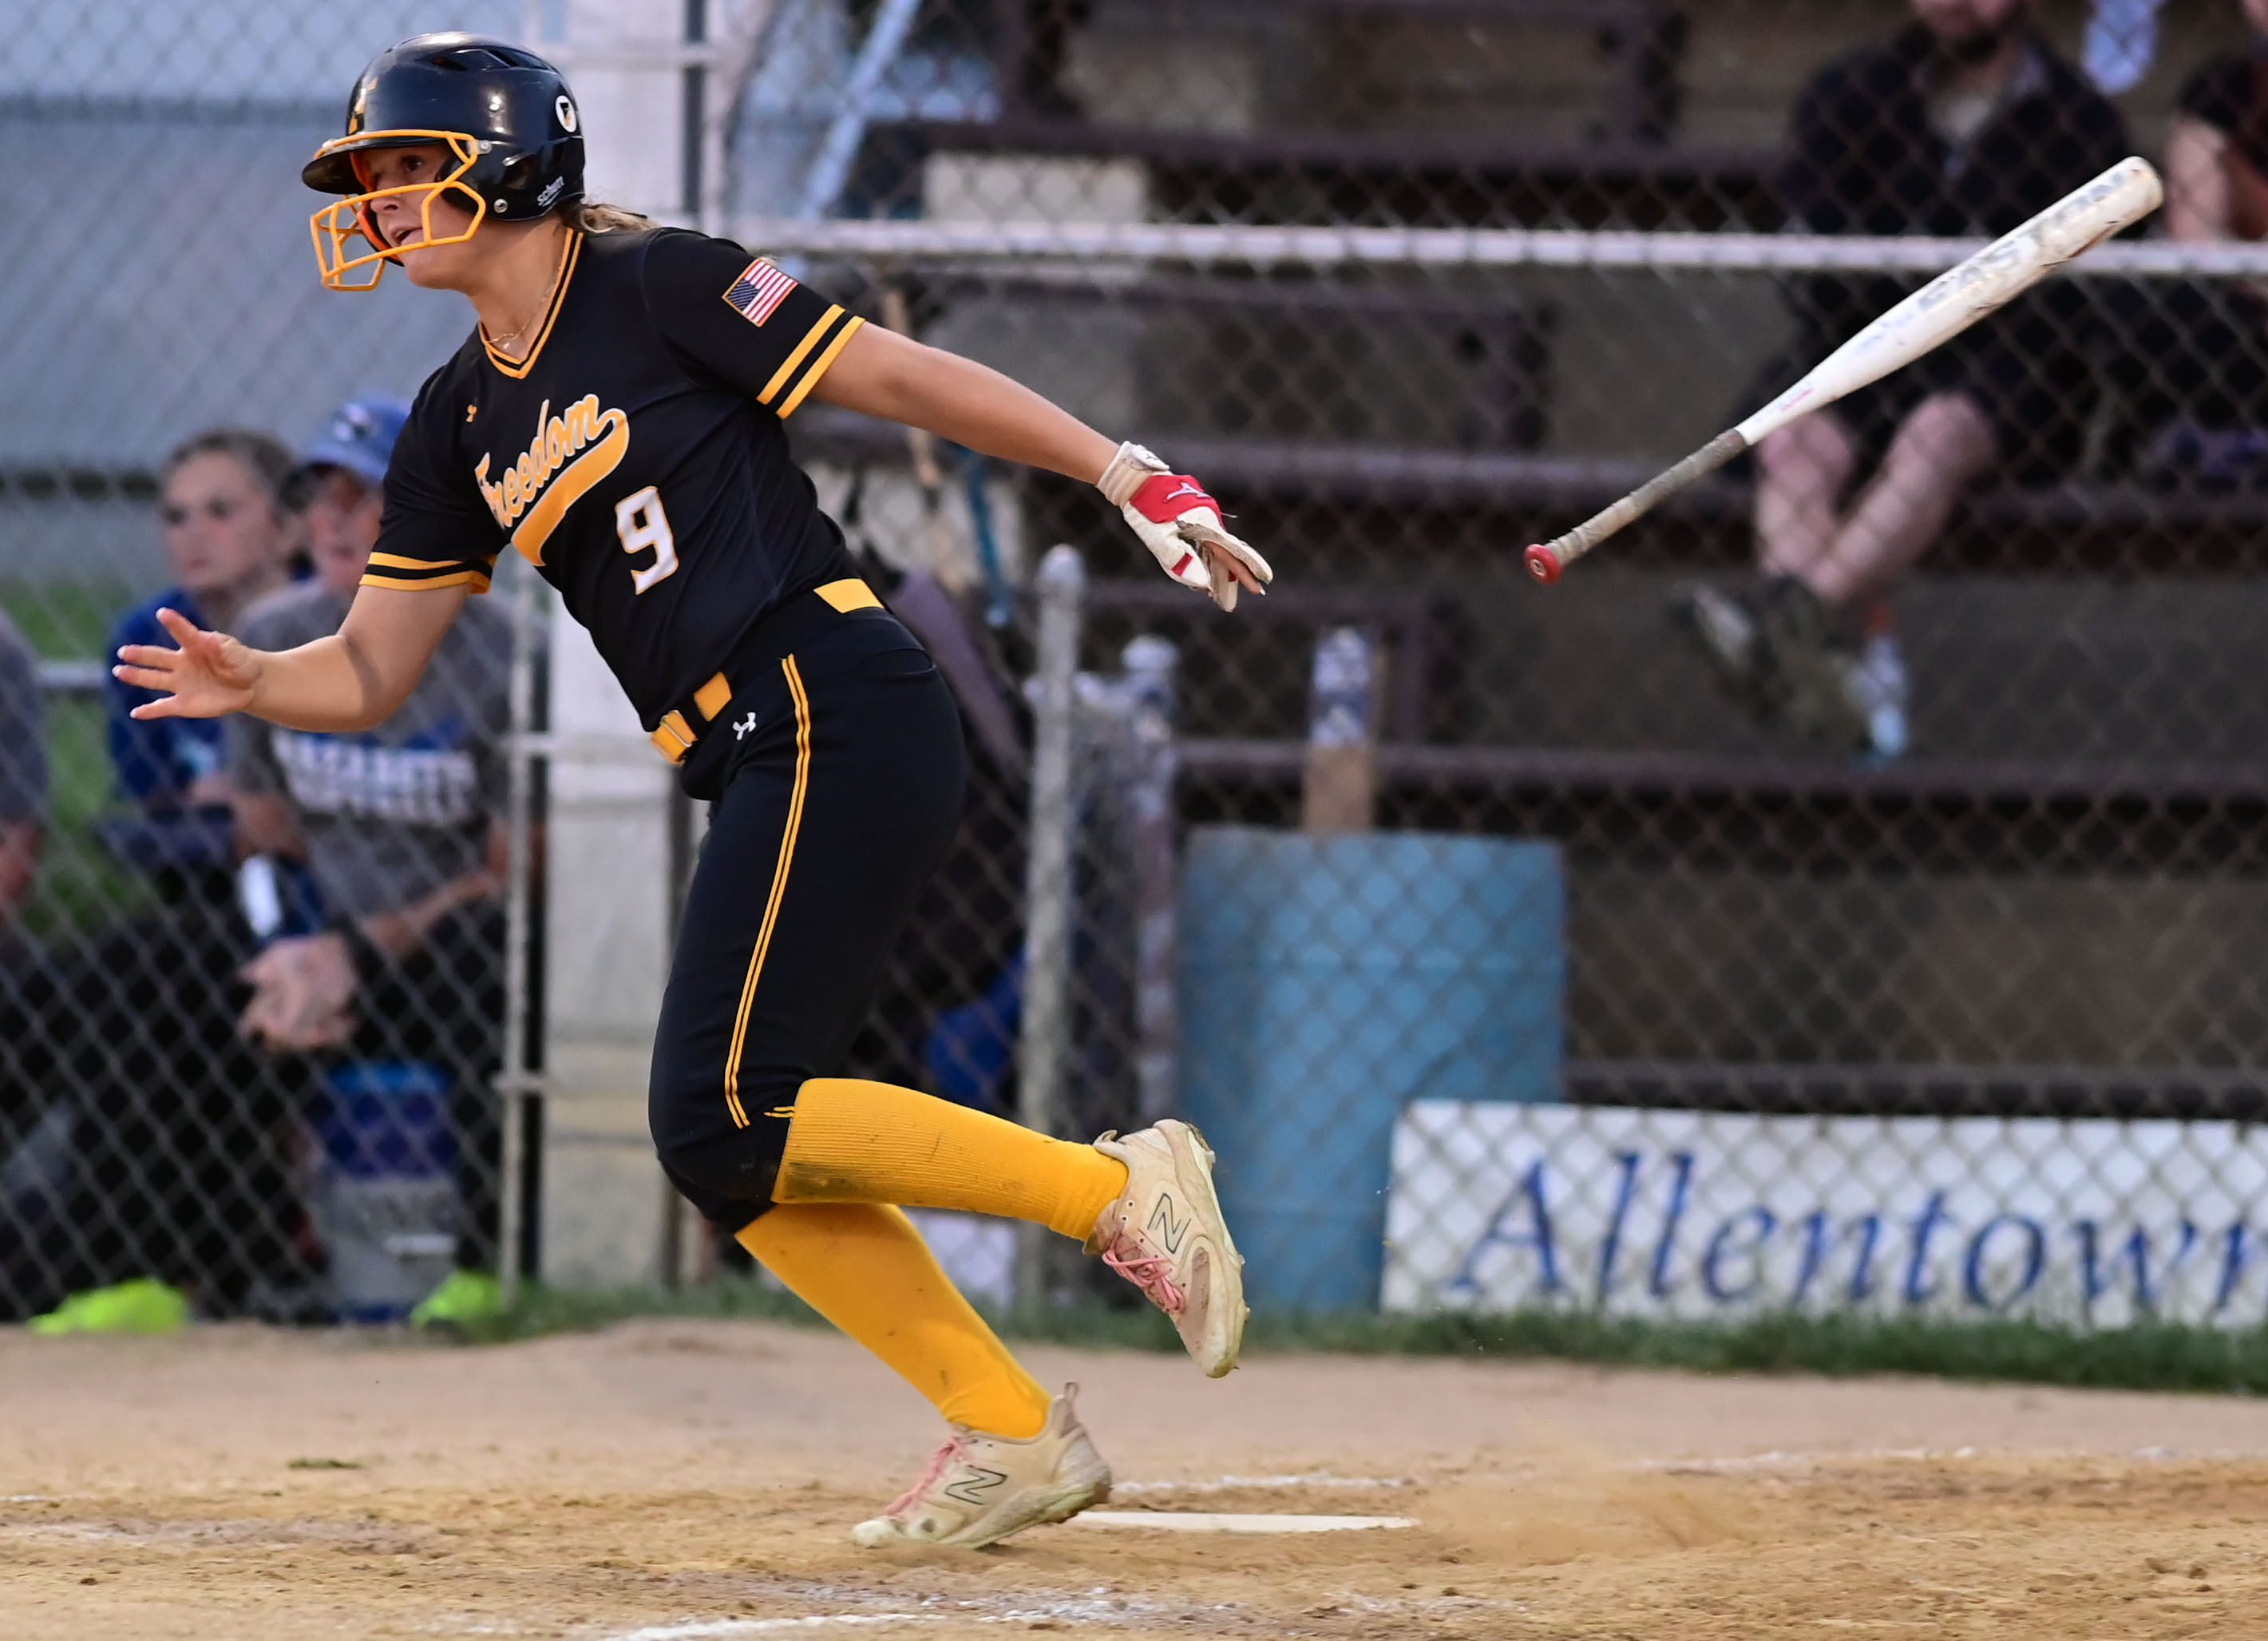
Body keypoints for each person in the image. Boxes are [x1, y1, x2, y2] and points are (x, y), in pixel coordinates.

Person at [117, 33, 1270, 1549]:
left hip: (831, 698)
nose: (382, 201)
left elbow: (898, 374)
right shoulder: (455, 416)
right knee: (729, 1138)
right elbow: (375, 665)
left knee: (719, 1109)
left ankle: (1116, 1193)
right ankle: (1009, 1428)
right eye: (369, 178)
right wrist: (261, 680)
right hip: (755, 752)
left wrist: (1125, 476)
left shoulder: (654, 285)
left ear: (512, 160)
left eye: (408, 166)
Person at [1672, 0, 2130, 754]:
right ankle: (1808, 658)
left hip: (2011, 380)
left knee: (1937, 431)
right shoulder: (1849, 97)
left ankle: (1777, 632)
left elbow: (2066, 316)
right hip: (1865, 355)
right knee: (1791, 441)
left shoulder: (2080, 126)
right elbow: (1816, 270)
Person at [228, 395, 523, 1324]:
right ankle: (191, 1272)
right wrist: (293, 953)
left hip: (437, 954)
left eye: (366, 497)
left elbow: (515, 872)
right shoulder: (274, 633)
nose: (336, 520)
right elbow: (261, 836)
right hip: (314, 949)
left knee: (491, 958)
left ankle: (485, 1269)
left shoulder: (510, 655)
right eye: (322, 497)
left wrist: (362, 949)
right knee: (144, 971)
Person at [103, 430, 302, 891]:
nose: (194, 534)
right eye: (176, 517)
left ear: (289, 529)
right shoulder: (145, 636)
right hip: (205, 881)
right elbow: (150, 795)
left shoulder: (337, 625)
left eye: (220, 511)